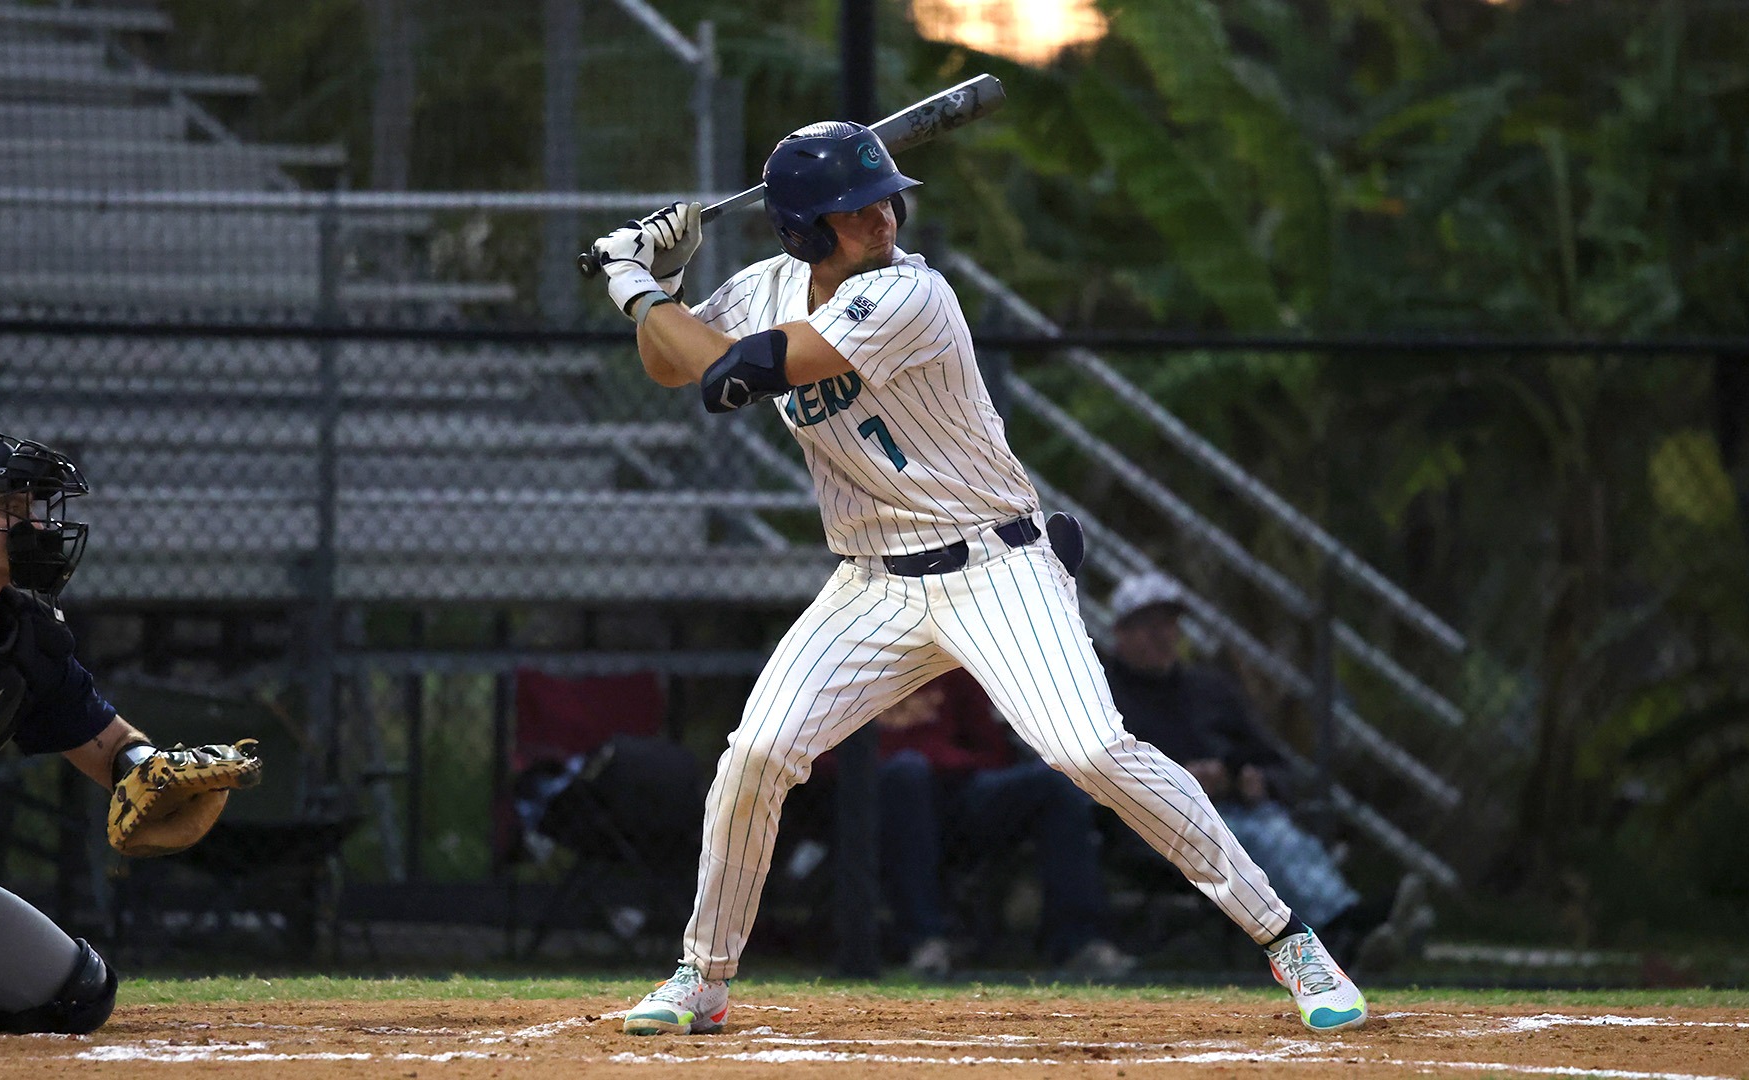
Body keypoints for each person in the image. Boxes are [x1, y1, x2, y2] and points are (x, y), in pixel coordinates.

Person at [587, 120, 1369, 1034]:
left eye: (881, 197)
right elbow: (668, 367)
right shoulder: (763, 285)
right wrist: (667, 288)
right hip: (871, 583)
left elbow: (734, 375)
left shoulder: (913, 294)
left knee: (1089, 752)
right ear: (802, 228)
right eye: (851, 208)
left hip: (995, 566)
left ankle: (1287, 940)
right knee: (757, 754)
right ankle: (702, 977)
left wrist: (633, 283)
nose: (879, 215)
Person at [0, 428, 258, 1038]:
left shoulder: (24, 639)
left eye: (34, 507)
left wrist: (147, 767)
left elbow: (108, 744)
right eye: (11, 509)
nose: (35, 523)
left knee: (74, 995)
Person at [1100, 572, 1433, 971]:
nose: (1162, 636)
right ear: (1119, 631)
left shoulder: (1209, 690)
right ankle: (1350, 928)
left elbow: (1276, 764)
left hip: (1239, 809)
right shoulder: (1103, 693)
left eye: (1169, 624)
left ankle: (1347, 931)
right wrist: (1179, 778)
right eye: (1148, 625)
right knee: (1262, 836)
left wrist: (1257, 781)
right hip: (1159, 822)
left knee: (1275, 829)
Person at [871, 669, 1131, 981]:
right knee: (907, 773)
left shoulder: (947, 668)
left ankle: (1079, 943)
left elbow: (992, 751)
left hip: (955, 791)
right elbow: (822, 757)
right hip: (873, 804)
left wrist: (943, 763)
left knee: (1053, 782)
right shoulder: (848, 667)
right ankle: (925, 942)